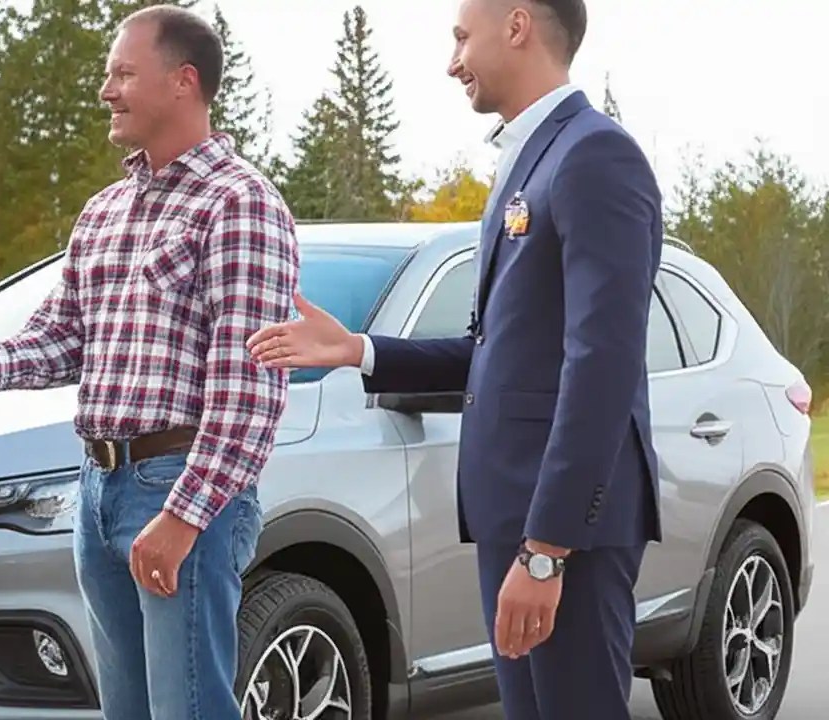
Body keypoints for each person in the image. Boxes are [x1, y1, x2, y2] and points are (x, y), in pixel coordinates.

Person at [246, 1, 662, 718]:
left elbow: (603, 364)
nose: (452, 61)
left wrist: (547, 549)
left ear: (518, 24)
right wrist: (359, 351)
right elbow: (498, 356)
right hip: (515, 520)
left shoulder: (595, 155)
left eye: (462, 38)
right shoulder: (527, 162)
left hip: (562, 530)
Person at [0, 5, 299, 718]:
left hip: (182, 489)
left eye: (122, 73)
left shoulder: (240, 204)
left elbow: (251, 389)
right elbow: (62, 341)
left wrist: (184, 516)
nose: (106, 90)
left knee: (188, 709)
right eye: (106, 74)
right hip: (96, 488)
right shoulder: (104, 211)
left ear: (183, 82)